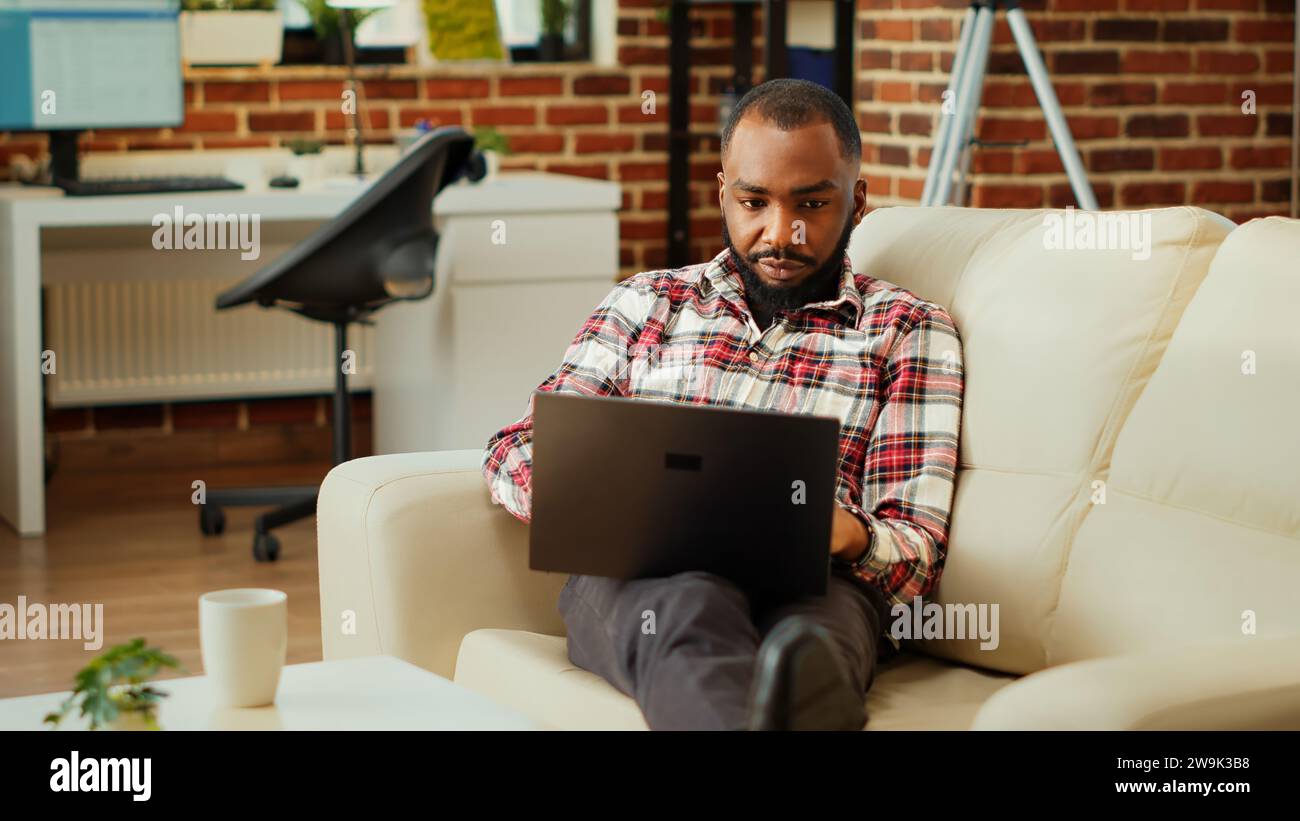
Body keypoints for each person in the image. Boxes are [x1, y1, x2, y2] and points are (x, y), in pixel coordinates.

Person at [482, 78, 964, 730]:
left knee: (816, 645)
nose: (780, 232)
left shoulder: (908, 328)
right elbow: (518, 446)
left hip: (819, 585)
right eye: (754, 201)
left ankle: (801, 697)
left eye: (812, 204)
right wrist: (593, 497)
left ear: (857, 201)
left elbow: (915, 550)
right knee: (689, 605)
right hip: (645, 580)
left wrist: (846, 532)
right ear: (723, 195)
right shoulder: (648, 303)